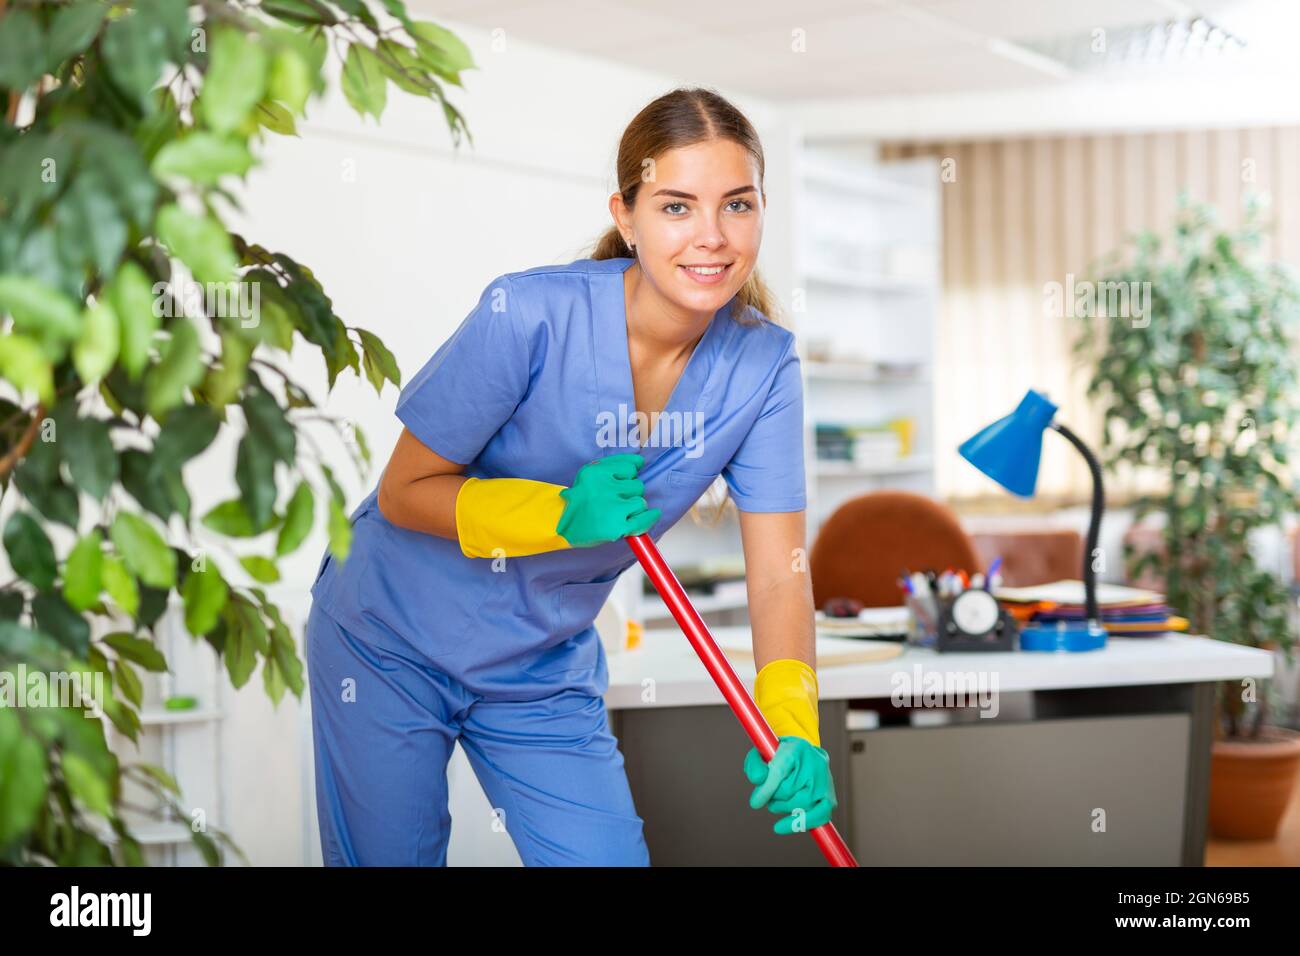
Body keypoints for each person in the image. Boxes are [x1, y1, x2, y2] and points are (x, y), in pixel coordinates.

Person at [305, 86, 837, 866]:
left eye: (739, 205)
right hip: (389, 639)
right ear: (626, 216)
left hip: (540, 668)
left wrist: (794, 724)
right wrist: (556, 515)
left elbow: (780, 578)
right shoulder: (526, 315)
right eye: (677, 207)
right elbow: (403, 491)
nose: (713, 238)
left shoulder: (764, 366)